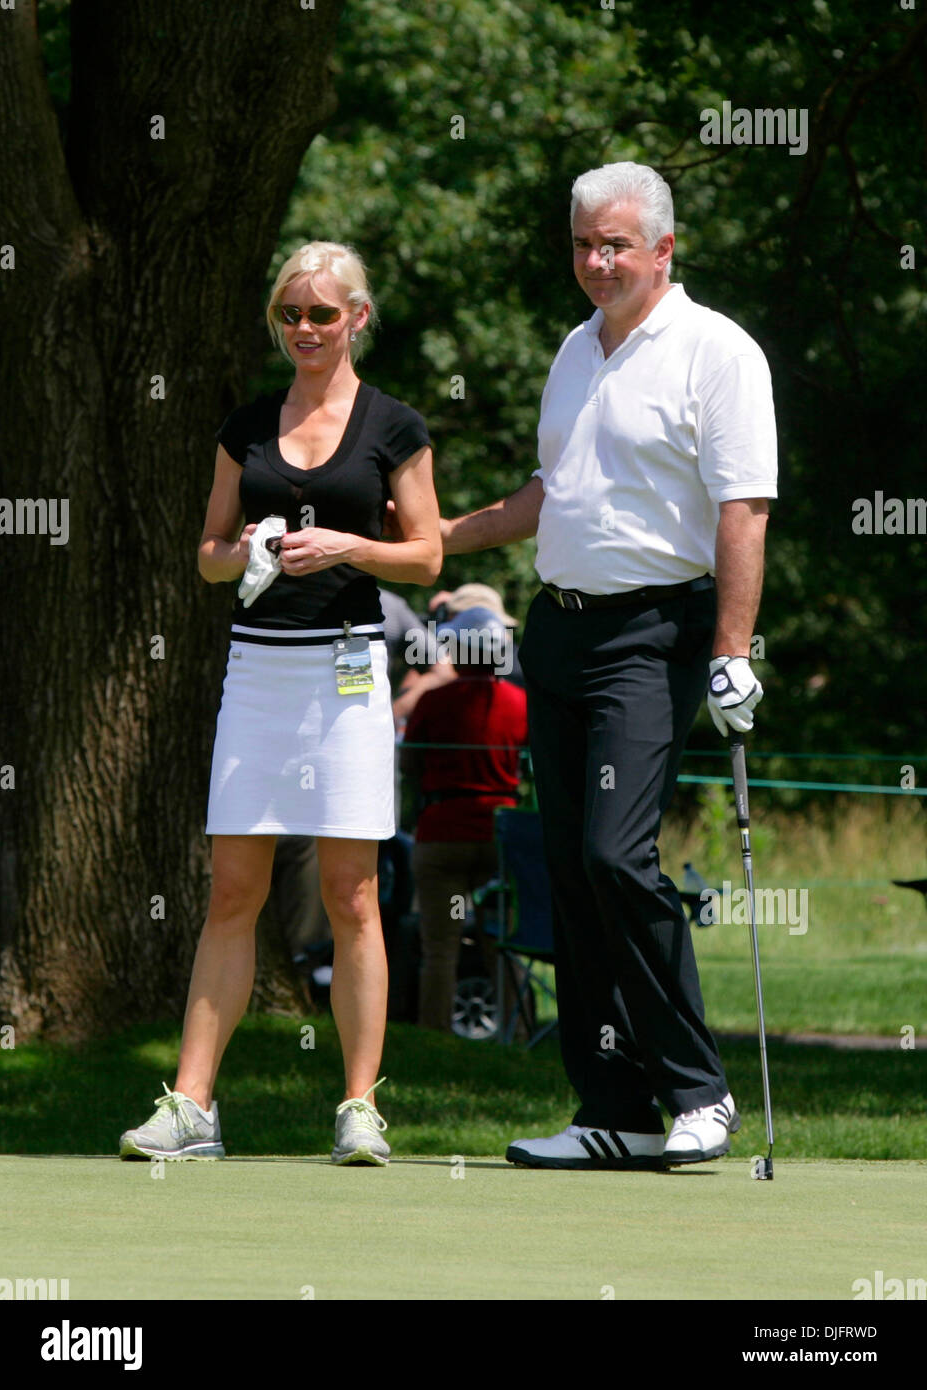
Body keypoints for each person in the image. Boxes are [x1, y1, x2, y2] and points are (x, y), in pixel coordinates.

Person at [435, 162, 776, 1169]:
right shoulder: (575, 351)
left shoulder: (718, 352)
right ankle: (613, 1104)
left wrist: (730, 650)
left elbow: (743, 509)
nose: (597, 262)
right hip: (562, 631)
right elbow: (547, 493)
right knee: (572, 873)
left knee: (616, 858)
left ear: (665, 248)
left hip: (654, 634)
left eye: (616, 244)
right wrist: (435, 538)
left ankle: (697, 1091)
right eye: (585, 243)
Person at [119, 241, 441, 1166]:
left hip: (344, 675)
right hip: (257, 671)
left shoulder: (395, 427)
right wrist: (248, 552)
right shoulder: (247, 426)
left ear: (358, 320)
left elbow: (425, 556)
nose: (305, 329)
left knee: (353, 895)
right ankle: (192, 1106)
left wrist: (347, 547)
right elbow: (207, 551)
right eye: (290, 315)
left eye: (322, 315)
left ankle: (359, 1108)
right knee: (234, 891)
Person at [401, 606, 528, 1031]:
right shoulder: (520, 703)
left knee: (440, 949)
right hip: (501, 838)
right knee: (502, 943)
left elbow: (410, 765)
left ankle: (434, 1036)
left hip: (440, 835)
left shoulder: (433, 701)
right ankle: (515, 1033)